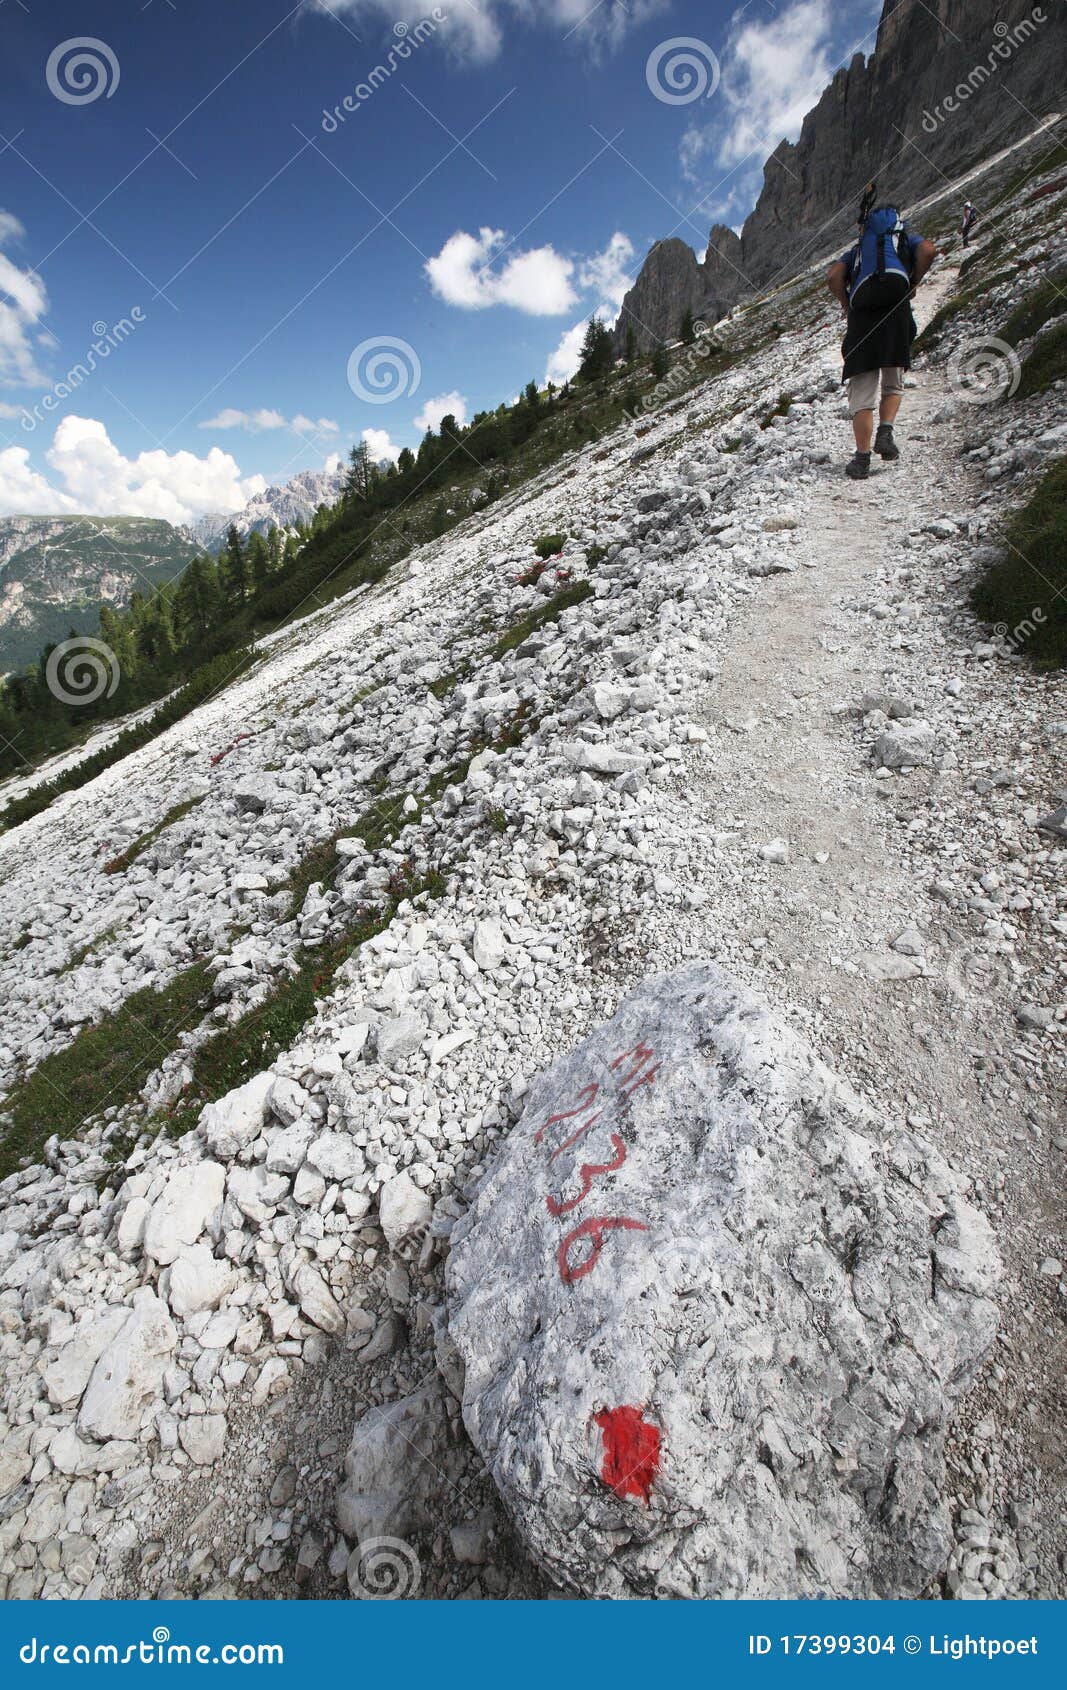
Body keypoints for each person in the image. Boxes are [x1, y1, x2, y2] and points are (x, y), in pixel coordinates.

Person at [827, 192, 937, 480]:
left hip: (863, 318)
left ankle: (861, 459)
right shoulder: (902, 239)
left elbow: (833, 276)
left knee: (862, 393)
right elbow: (928, 250)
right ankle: (885, 431)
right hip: (896, 311)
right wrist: (913, 282)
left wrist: (847, 305)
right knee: (893, 382)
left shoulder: (858, 251)